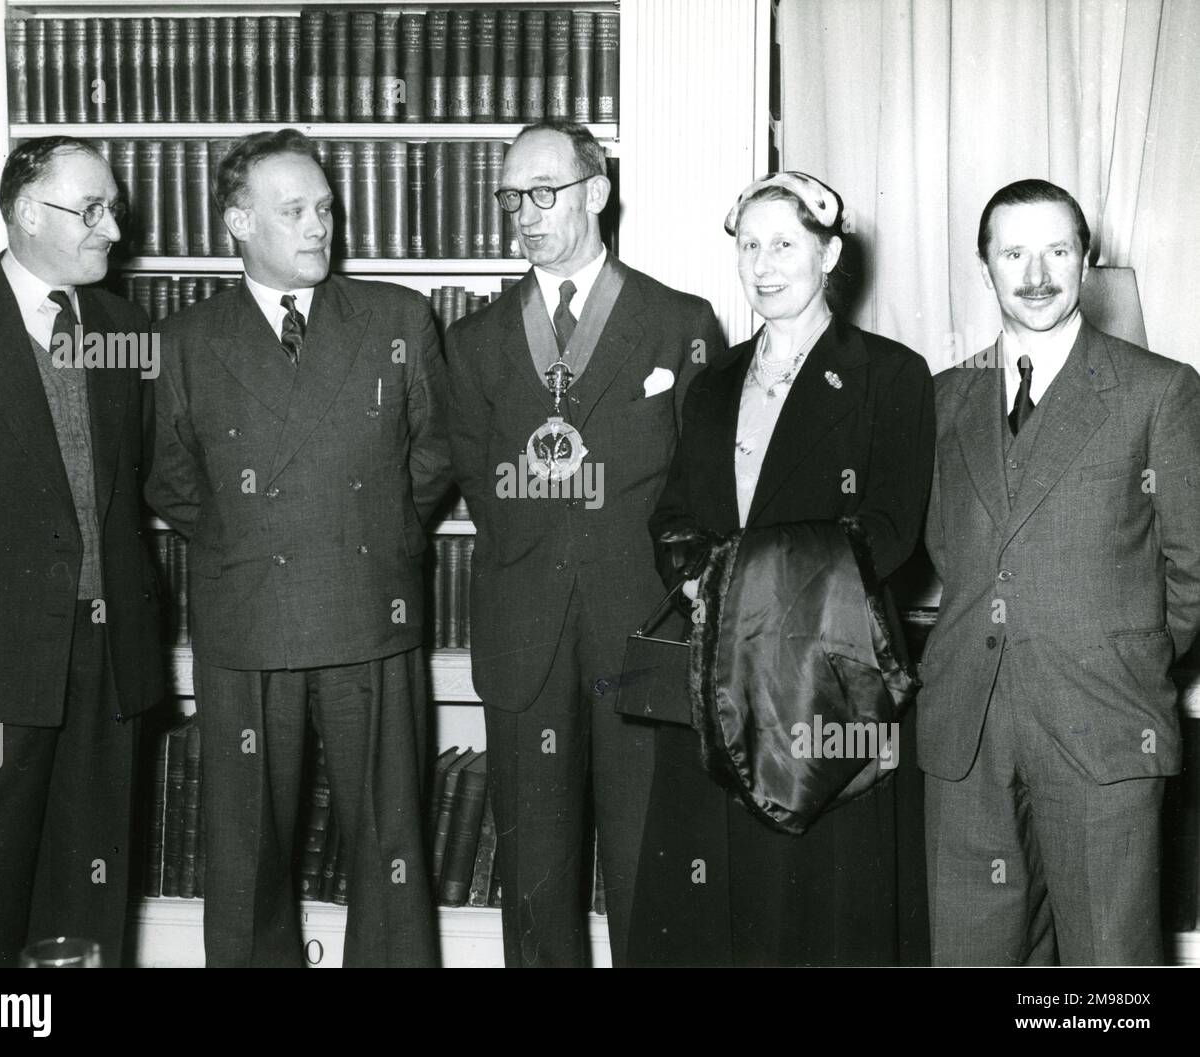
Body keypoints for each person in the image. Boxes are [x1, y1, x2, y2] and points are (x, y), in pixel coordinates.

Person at [144, 129, 449, 967]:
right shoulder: (182, 340)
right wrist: (256, 535)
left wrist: (375, 534)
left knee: (390, 848)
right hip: (247, 622)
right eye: (294, 211)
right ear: (237, 223)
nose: (319, 226)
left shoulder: (396, 316)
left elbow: (434, 454)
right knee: (245, 855)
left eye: (325, 208)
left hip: (369, 612)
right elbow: (170, 480)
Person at [629, 172, 935, 967]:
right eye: (750, 245)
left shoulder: (890, 375)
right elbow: (673, 516)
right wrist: (701, 580)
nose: (765, 264)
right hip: (716, 673)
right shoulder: (715, 380)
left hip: (826, 674)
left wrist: (744, 586)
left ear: (829, 254)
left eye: (785, 244)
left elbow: (890, 530)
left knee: (824, 902)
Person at [446, 119, 728, 967]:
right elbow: (481, 486)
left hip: (643, 636)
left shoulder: (680, 322)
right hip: (525, 636)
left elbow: (703, 490)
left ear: (597, 192)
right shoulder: (473, 340)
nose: (523, 214)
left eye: (543, 192)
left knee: (651, 868)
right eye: (509, 197)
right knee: (533, 880)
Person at [918, 178, 1200, 965]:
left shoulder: (1159, 391)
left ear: (1088, 260)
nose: (1035, 274)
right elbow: (951, 547)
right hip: (965, 736)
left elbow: (1193, 567)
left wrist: (1123, 657)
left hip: (1103, 728)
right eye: (1013, 253)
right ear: (985, 267)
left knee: (1107, 975)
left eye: (1057, 251)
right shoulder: (943, 398)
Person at [0, 136, 164, 966]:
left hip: (105, 658)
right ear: (24, 212)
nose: (111, 229)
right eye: (90, 210)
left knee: (87, 907)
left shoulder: (125, 329)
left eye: (112, 208)